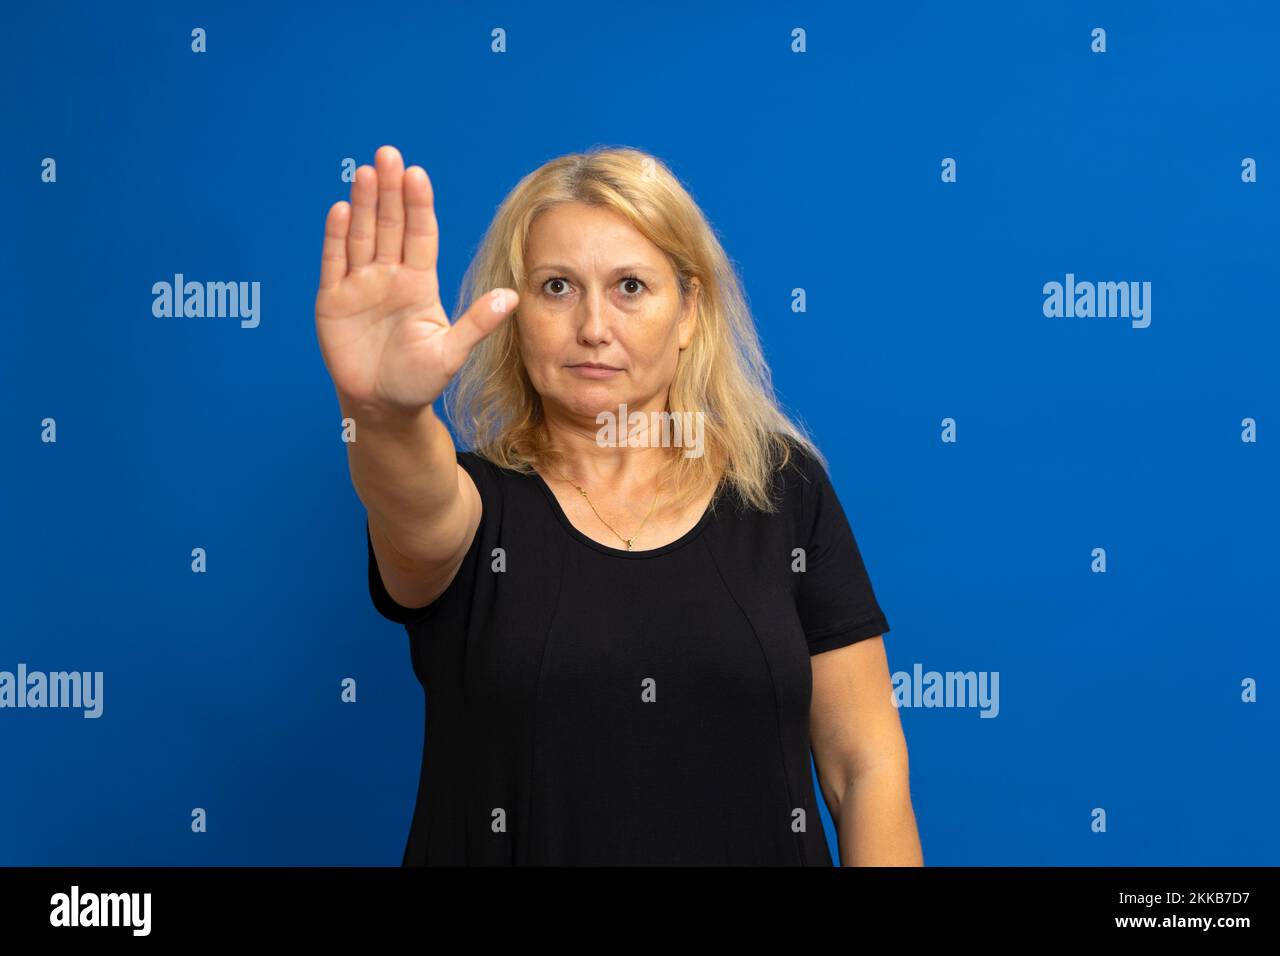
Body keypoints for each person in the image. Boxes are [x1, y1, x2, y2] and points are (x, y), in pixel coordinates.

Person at [314, 144, 923, 866]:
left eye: (631, 286)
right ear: (515, 313)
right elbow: (413, 501)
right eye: (557, 287)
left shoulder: (783, 489)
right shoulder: (477, 508)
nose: (594, 327)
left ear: (690, 311)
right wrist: (382, 414)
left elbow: (865, 770)